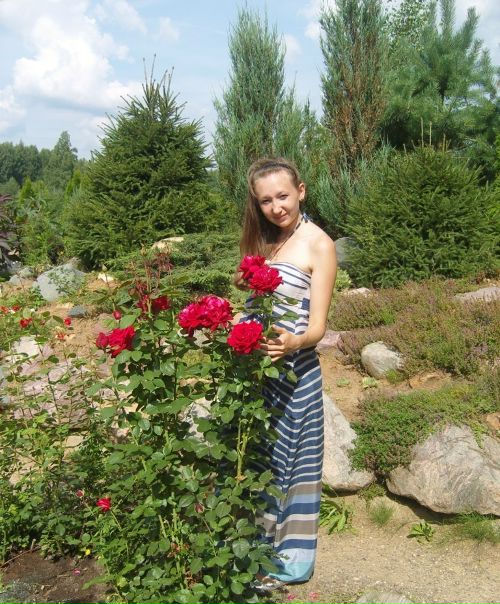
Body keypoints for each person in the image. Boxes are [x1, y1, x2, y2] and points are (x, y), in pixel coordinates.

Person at [235, 157, 337, 590]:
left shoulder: (319, 244)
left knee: (290, 464)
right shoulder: (266, 242)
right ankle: (247, 549)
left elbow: (318, 327)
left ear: (301, 191)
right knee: (254, 459)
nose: (276, 207)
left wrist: (293, 342)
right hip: (258, 373)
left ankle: (285, 561)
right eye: (266, 201)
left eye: (283, 196)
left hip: (295, 374)